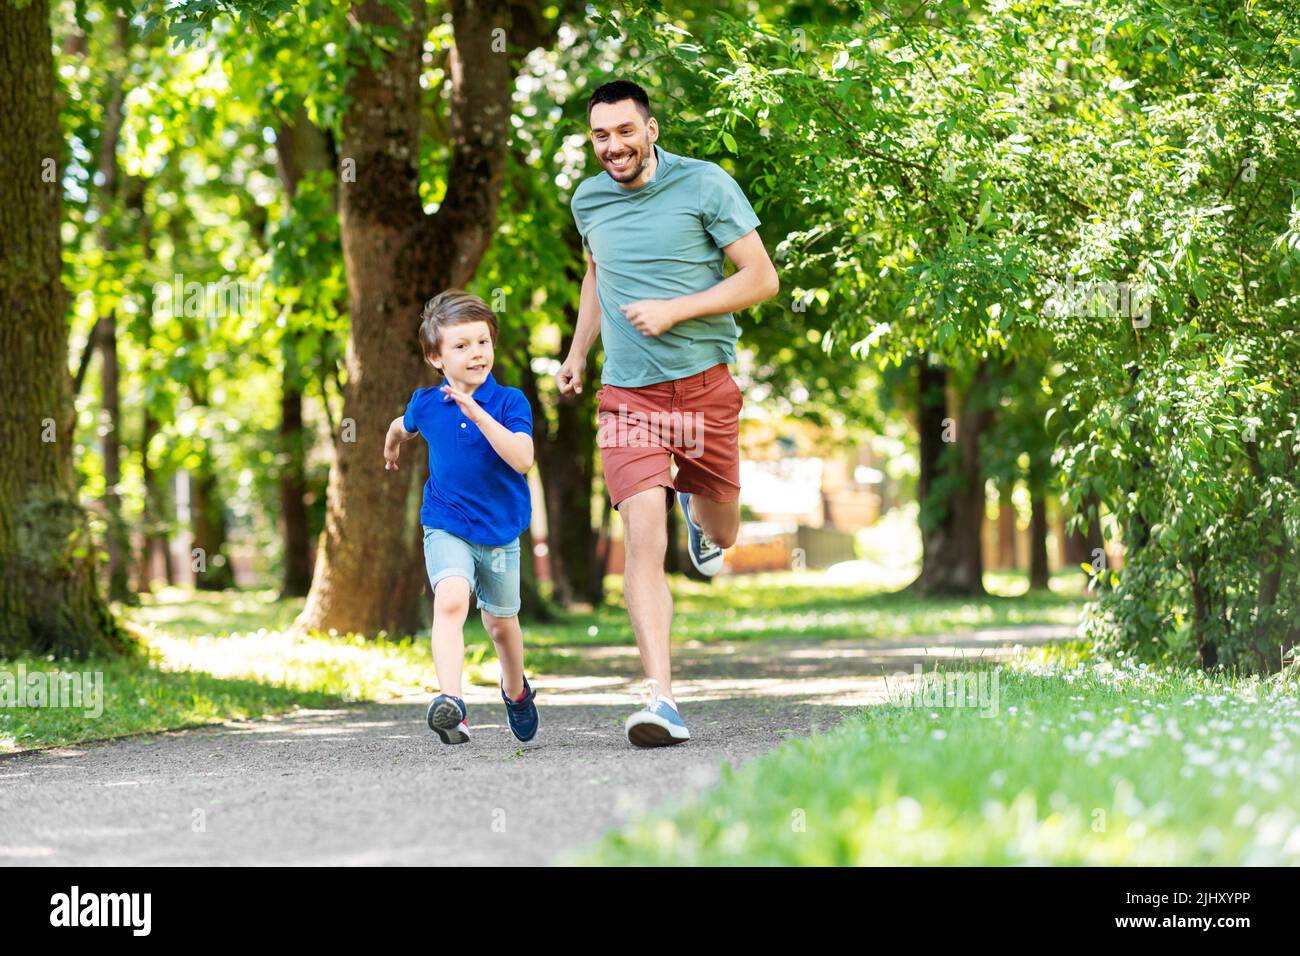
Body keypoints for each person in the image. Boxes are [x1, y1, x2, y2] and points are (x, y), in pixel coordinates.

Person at [558, 80, 780, 747]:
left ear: (650, 130)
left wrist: (676, 310)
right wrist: (577, 352)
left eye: (625, 132)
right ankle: (661, 699)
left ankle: (701, 515)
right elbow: (598, 272)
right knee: (642, 541)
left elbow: (761, 279)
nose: (613, 147)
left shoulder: (705, 185)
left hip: (705, 389)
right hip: (628, 397)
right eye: (601, 135)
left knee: (725, 531)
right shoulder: (587, 199)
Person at [384, 290, 539, 746]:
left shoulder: (510, 402)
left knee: (500, 624)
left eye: (482, 342)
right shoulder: (427, 403)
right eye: (461, 346)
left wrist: (477, 411)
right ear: (436, 357)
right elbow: (401, 425)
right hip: (446, 522)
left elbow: (522, 458)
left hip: (499, 531)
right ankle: (451, 703)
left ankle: (516, 691)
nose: (476, 353)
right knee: (451, 600)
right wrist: (392, 445)